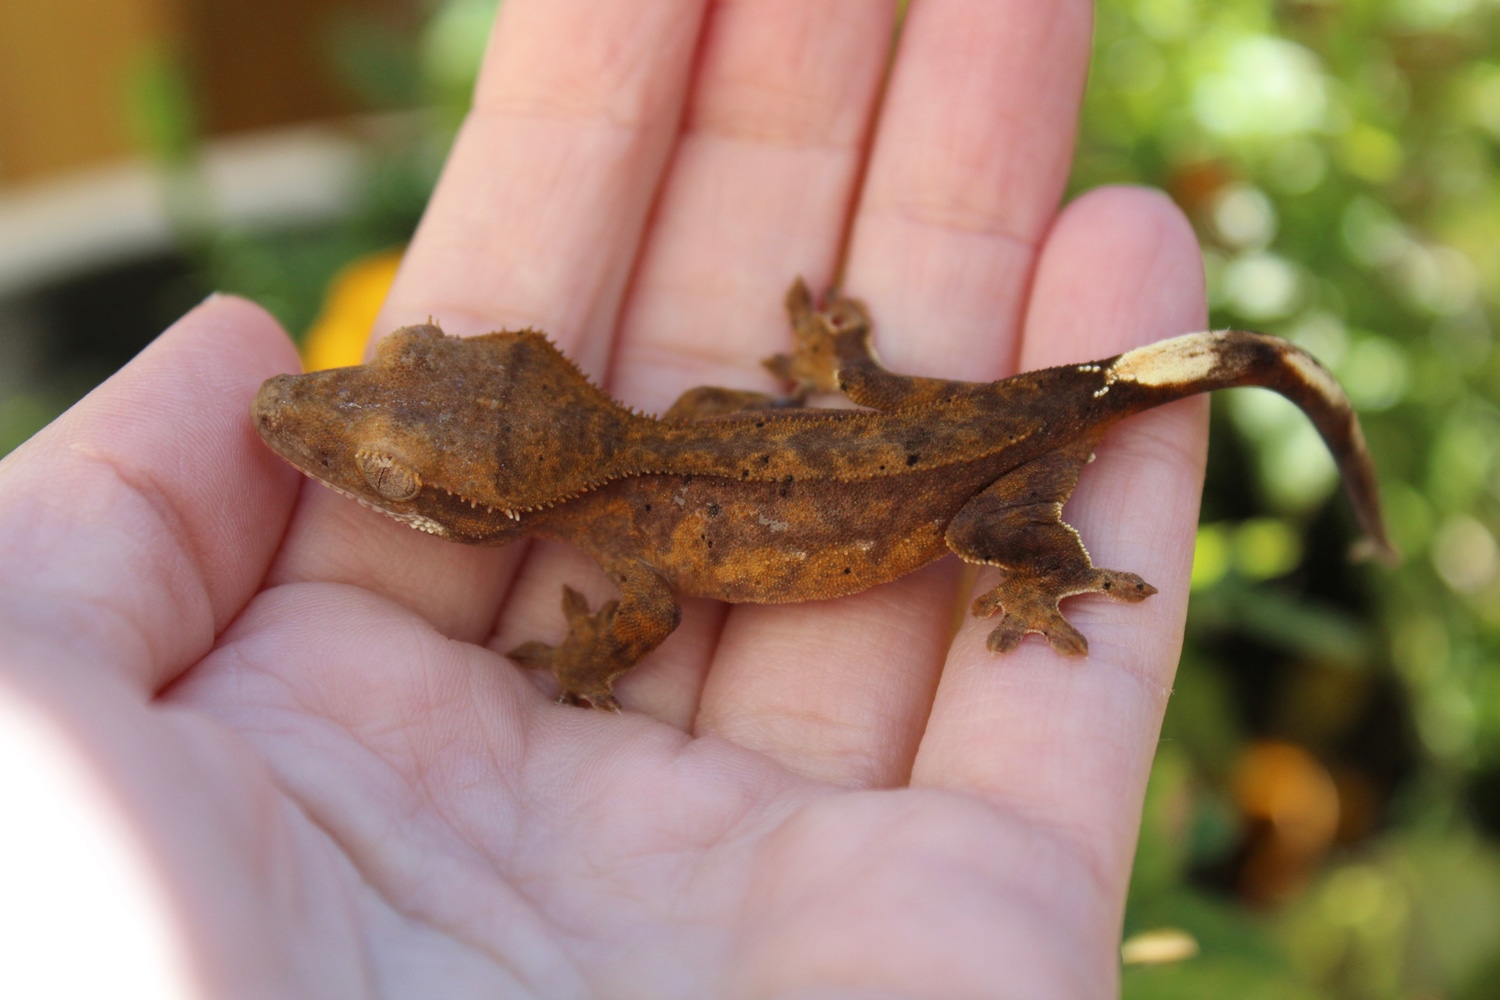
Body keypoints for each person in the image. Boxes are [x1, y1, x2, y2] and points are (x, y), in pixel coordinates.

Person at [0, 2, 1210, 996]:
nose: (299, 413)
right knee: (791, 428)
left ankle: (1049, 559)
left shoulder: (637, 534)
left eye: (382, 470)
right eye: (381, 434)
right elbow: (710, 471)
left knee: (974, 530)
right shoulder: (668, 441)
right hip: (899, 426)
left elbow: (650, 618)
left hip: (954, 481)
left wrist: (586, 663)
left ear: (490, 514)